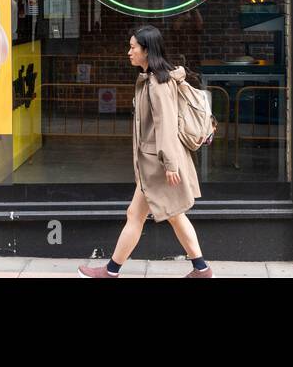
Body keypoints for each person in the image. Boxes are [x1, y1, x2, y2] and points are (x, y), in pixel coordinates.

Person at [79, 26, 209, 278]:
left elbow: (167, 126)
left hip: (158, 164)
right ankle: (201, 268)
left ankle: (111, 271)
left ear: (146, 51)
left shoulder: (157, 85)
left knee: (142, 215)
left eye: (133, 48)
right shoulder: (152, 79)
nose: (128, 52)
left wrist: (170, 165)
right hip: (155, 162)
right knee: (171, 215)